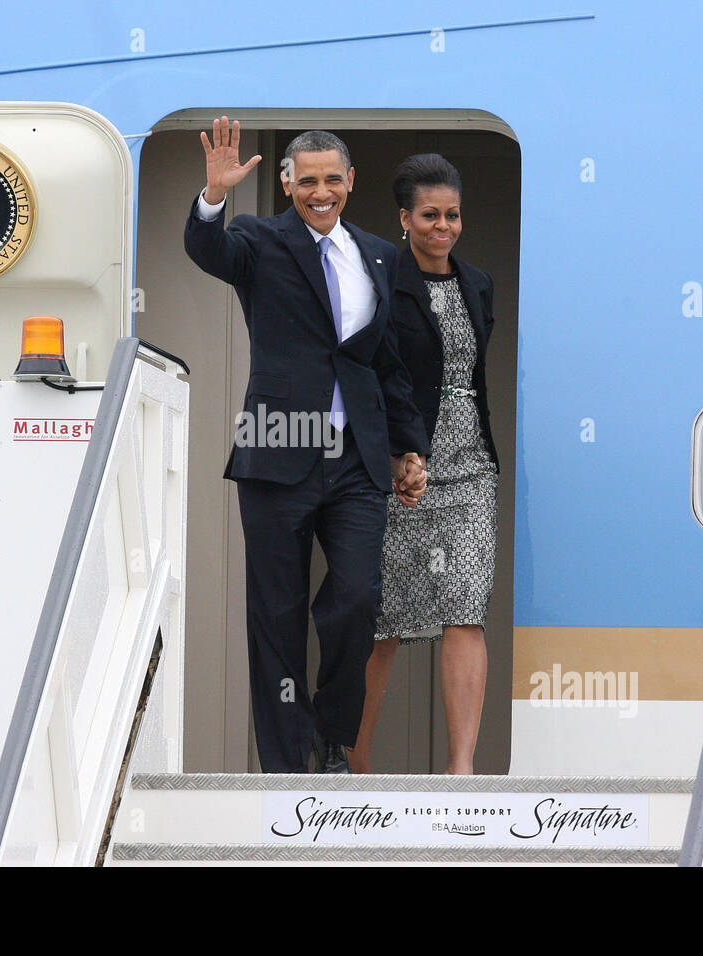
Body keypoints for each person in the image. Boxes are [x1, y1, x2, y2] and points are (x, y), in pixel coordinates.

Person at [183, 117, 429, 773]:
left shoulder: (380, 254)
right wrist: (213, 199)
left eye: (331, 179)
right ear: (288, 183)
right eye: (306, 180)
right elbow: (208, 252)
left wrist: (410, 448)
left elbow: (390, 363)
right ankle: (287, 764)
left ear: (350, 181)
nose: (320, 191)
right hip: (277, 449)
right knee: (278, 617)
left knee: (354, 600)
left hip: (355, 459)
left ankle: (332, 733)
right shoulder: (257, 241)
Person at [348, 154, 498, 775]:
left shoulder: (478, 282)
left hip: (471, 469)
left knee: (466, 608)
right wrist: (397, 452)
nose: (444, 226)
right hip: (402, 468)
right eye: (430, 215)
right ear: (404, 219)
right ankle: (352, 765)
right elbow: (373, 369)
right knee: (383, 621)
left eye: (453, 215)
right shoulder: (379, 282)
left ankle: (461, 770)